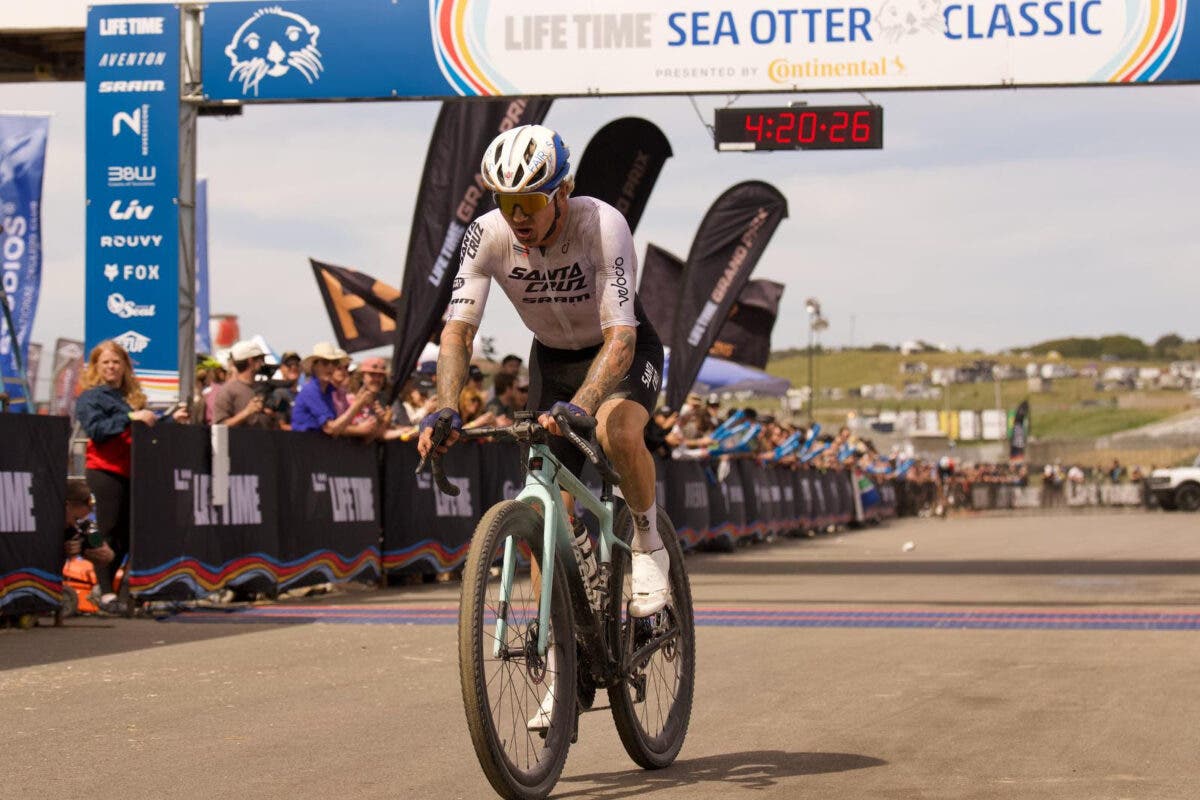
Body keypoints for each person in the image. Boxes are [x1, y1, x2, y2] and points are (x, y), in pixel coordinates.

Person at [417, 123, 669, 624]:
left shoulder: (602, 223)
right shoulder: (485, 235)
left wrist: (583, 406)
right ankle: (558, 659)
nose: (517, 216)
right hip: (551, 360)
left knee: (614, 429)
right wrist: (444, 405)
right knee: (538, 518)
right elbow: (457, 334)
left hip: (618, 354)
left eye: (530, 203)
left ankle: (647, 544)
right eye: (506, 202)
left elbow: (621, 336)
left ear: (564, 192)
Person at [75, 340, 188, 607]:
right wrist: (130, 418)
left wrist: (171, 421)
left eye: (116, 362)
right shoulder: (90, 397)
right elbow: (97, 430)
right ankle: (105, 591)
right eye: (106, 362)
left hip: (132, 472)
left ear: (125, 366)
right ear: (96, 367)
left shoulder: (129, 398)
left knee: (128, 535)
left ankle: (116, 590)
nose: (112, 367)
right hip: (104, 472)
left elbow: (142, 428)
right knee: (106, 531)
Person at [291, 342, 374, 435]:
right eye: (325, 362)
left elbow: (337, 426)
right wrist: (357, 406)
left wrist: (357, 405)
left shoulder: (329, 390)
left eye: (334, 363)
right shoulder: (310, 390)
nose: (330, 367)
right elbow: (330, 429)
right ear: (314, 366)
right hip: (303, 445)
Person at [61, 477, 114, 615]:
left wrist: (102, 552)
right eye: (87, 504)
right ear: (68, 505)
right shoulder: (49, 526)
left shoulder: (84, 526)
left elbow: (105, 553)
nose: (90, 510)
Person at [212, 340, 277, 429]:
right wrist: (247, 412)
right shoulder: (227, 390)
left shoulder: (263, 388)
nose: (263, 363)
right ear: (250, 361)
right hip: (239, 442)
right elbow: (219, 427)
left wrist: (271, 415)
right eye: (260, 359)